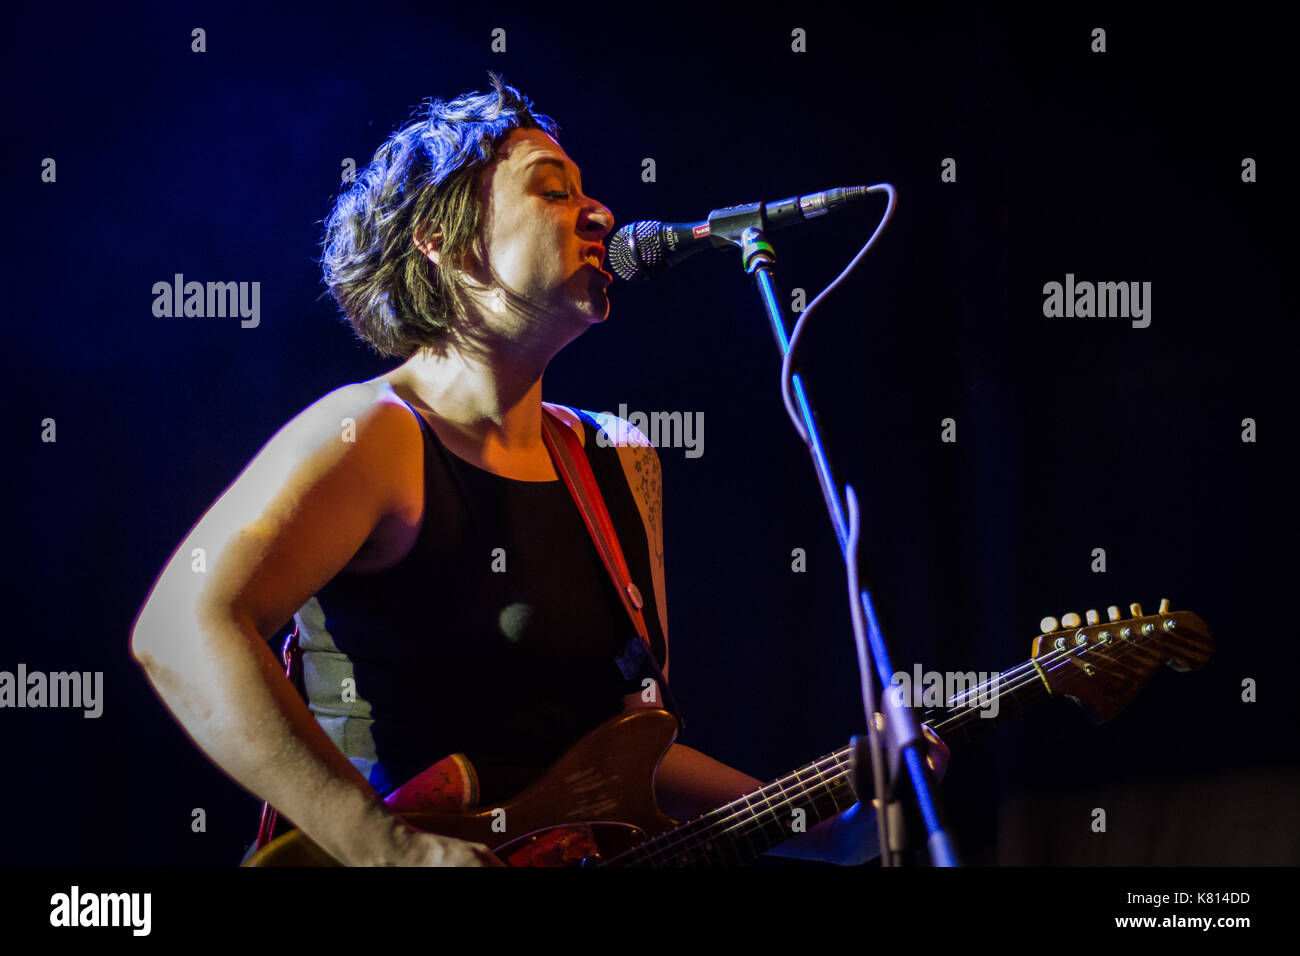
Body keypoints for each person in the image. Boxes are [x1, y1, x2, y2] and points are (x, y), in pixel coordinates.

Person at [129, 73, 907, 867]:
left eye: (586, 191)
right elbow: (182, 630)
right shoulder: (372, 434)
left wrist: (824, 825)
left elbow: (625, 752)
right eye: (552, 190)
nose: (601, 212)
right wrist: (393, 850)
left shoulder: (619, 461)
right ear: (446, 240)